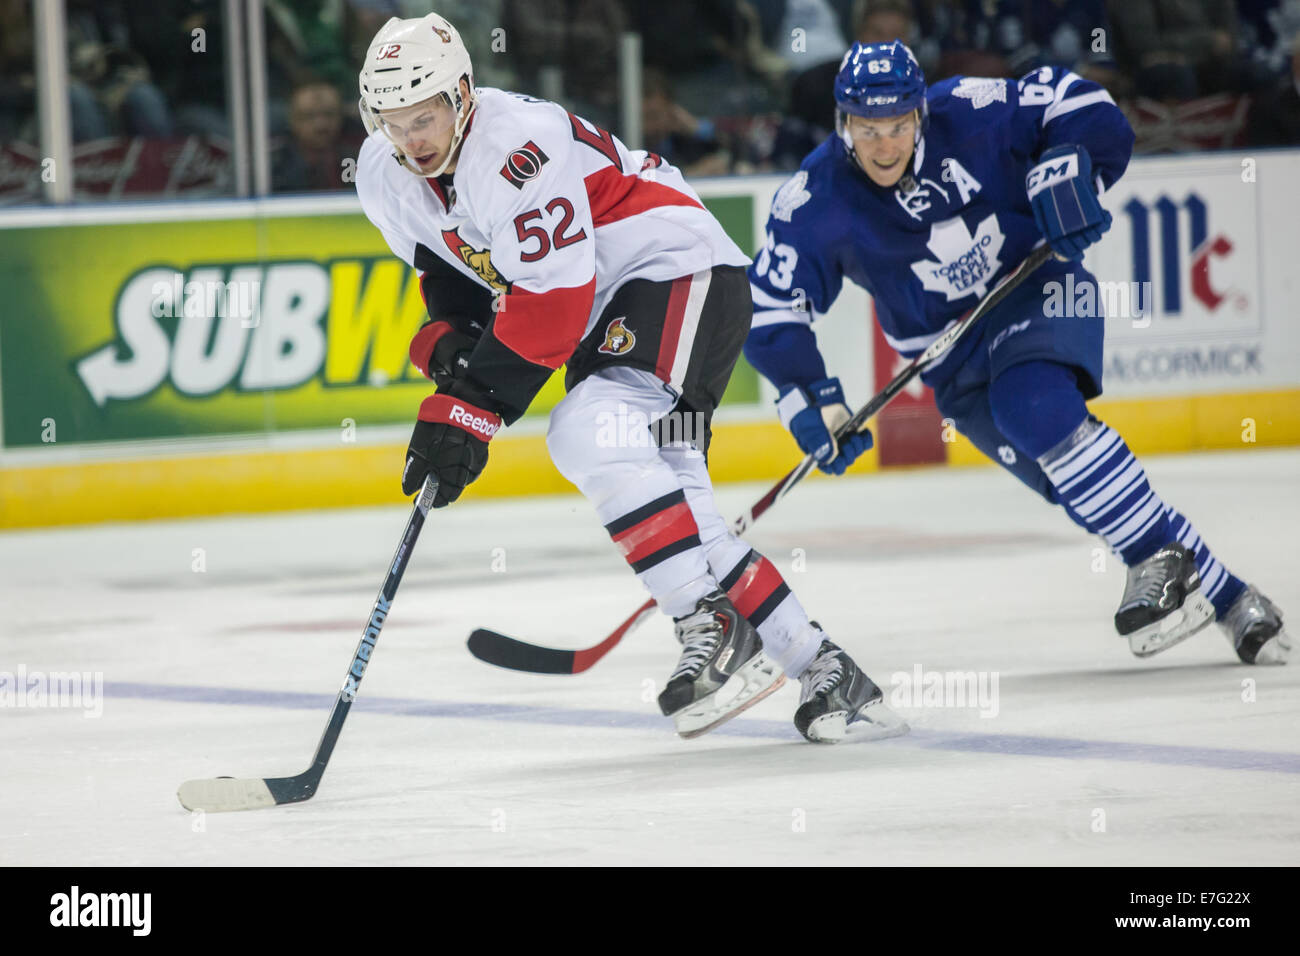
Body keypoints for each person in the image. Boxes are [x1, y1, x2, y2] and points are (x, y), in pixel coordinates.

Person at [353, 13, 908, 742]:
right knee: (681, 511)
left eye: (424, 117)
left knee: (586, 427)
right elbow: (449, 267)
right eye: (393, 123)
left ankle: (707, 622)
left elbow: (551, 309)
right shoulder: (381, 172)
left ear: (462, 94)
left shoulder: (513, 145)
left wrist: (469, 411)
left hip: (677, 274)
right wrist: (454, 347)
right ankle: (830, 675)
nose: (411, 139)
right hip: (627, 313)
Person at [745, 40, 1291, 666]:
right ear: (843, 123)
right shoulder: (816, 199)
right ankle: (1229, 596)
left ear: (920, 113)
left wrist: (1071, 163)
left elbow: (1080, 102)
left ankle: (1164, 564)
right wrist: (810, 397)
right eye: (868, 129)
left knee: (1032, 407)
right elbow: (773, 310)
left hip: (1040, 284)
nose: (885, 145)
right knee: (1073, 480)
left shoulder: (972, 109)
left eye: (898, 125)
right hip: (948, 360)